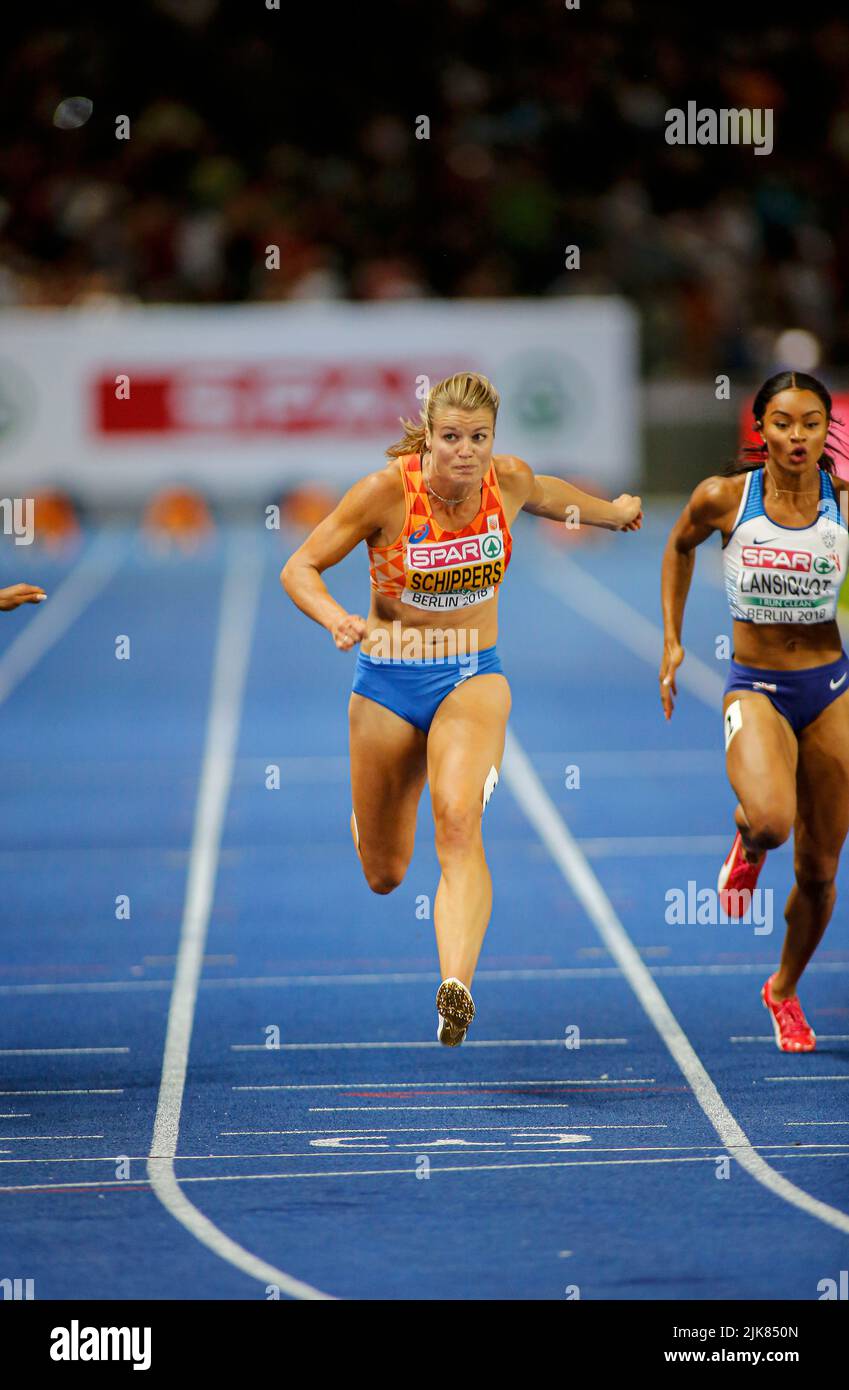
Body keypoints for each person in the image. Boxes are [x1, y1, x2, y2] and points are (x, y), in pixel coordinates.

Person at [281, 371, 642, 1044]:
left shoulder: (505, 480)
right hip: (388, 681)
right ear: (428, 436)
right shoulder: (384, 492)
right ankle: (372, 819)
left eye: (478, 438)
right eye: (451, 438)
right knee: (385, 874)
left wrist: (611, 512)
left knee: (456, 820)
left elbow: (544, 493)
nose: (465, 452)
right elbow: (298, 567)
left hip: (472, 675)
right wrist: (334, 618)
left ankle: (455, 985)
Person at [660, 370, 849, 1052]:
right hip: (755, 689)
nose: (796, 436)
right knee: (772, 822)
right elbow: (677, 546)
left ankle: (782, 990)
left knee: (819, 870)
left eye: (809, 423)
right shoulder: (722, 499)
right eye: (781, 423)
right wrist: (674, 641)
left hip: (829, 689)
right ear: (759, 429)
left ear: (826, 429)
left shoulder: (841, 502)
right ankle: (746, 838)